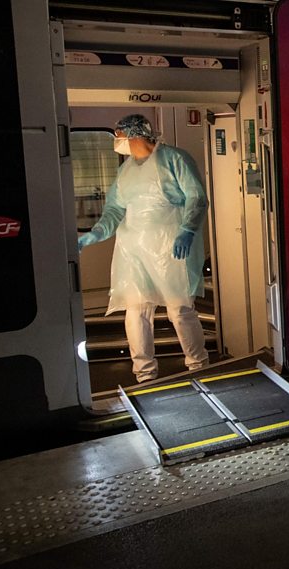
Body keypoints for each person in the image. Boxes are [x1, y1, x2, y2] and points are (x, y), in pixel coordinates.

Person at [78, 114, 210, 383]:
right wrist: (94, 234)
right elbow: (115, 209)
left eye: (119, 134)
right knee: (136, 309)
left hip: (170, 247)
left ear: (134, 134)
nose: (117, 140)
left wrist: (187, 231)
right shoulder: (126, 170)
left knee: (180, 309)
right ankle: (144, 374)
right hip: (133, 251)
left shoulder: (174, 159)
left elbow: (196, 197)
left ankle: (200, 367)